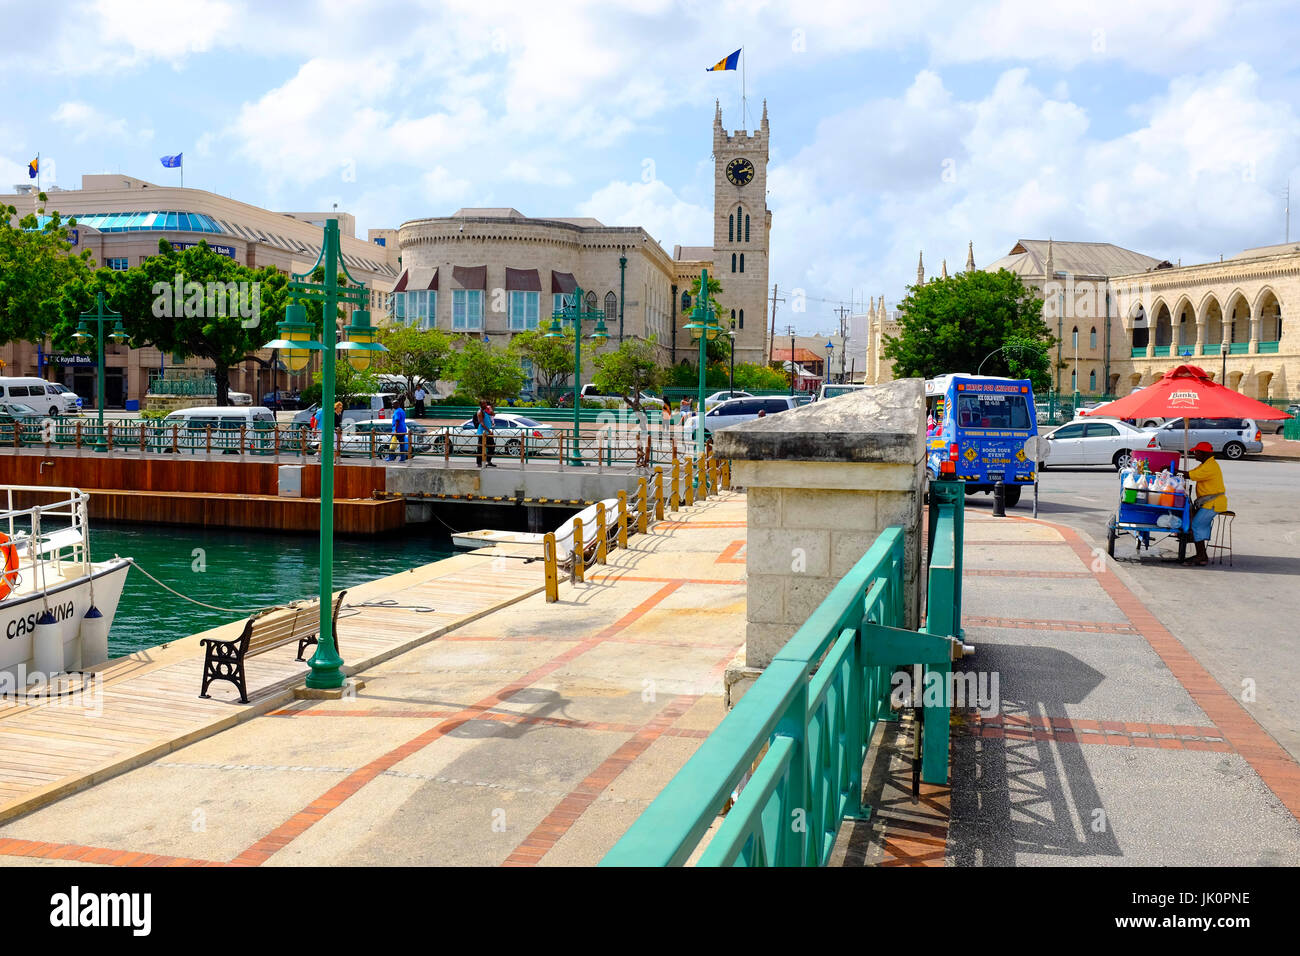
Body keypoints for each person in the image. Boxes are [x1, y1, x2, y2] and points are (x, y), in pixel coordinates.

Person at [1181, 441, 1227, 567]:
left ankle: (1201, 556)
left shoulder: (1210, 466)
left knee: (1196, 525)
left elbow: (1191, 475)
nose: (1194, 453)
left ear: (1203, 453)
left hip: (1213, 503)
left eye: (1196, 452)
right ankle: (1201, 555)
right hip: (1208, 502)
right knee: (1194, 524)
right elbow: (1191, 473)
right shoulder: (1206, 464)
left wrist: (1173, 470)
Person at [476, 401, 496, 467]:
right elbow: (481, 423)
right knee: (481, 448)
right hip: (482, 433)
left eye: (486, 403)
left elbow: (493, 414)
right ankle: (479, 463)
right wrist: (489, 431)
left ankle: (488, 461)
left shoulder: (486, 412)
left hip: (488, 432)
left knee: (492, 447)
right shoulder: (480, 412)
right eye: (484, 403)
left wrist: (490, 409)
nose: (486, 404)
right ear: (481, 404)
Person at [389, 397, 409, 462]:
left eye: (393, 404)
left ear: (397, 404)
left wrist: (395, 430)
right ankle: (402, 458)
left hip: (397, 430)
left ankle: (391, 457)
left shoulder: (397, 411)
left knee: (392, 443)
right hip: (403, 429)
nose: (392, 406)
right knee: (402, 444)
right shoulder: (402, 410)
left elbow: (397, 420)